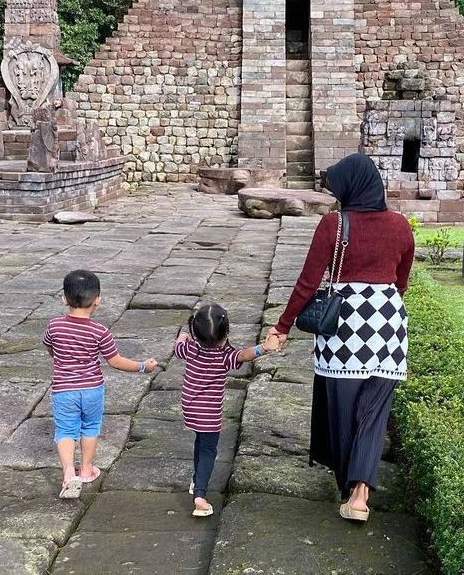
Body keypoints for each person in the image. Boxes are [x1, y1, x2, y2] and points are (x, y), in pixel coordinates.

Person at [268, 153, 414, 522]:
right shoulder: (400, 224)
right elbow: (402, 279)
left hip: (345, 327)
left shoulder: (334, 224)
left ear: (350, 187)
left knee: (344, 410)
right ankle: (361, 492)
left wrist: (282, 326)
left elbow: (307, 282)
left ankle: (351, 489)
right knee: (374, 412)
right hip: (389, 324)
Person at [43, 269, 158, 499]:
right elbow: (115, 361)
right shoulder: (100, 332)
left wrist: (61, 356)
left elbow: (50, 347)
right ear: (98, 300)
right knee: (90, 427)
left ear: (64, 299)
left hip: (64, 390)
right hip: (93, 389)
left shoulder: (54, 326)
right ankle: (86, 469)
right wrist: (143, 366)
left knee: (65, 430)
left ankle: (68, 473)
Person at [175, 303, 280, 517]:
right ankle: (200, 497)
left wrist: (183, 335)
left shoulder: (190, 348)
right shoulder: (224, 356)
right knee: (208, 450)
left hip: (190, 408)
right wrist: (264, 348)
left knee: (200, 442)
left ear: (196, 331)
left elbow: (178, 347)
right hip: (209, 413)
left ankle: (197, 479)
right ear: (226, 333)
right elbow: (244, 355)